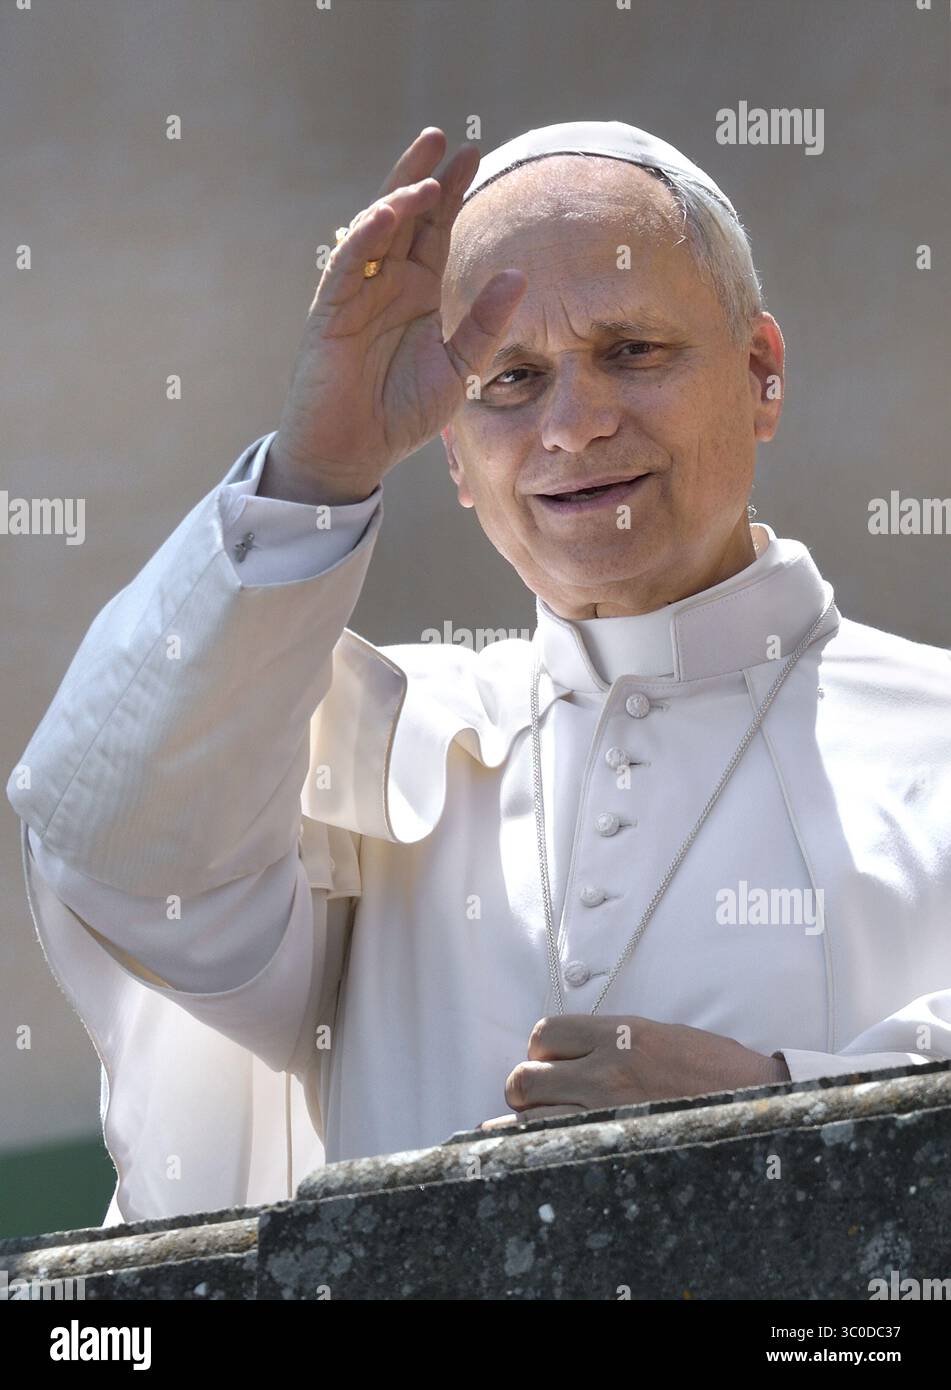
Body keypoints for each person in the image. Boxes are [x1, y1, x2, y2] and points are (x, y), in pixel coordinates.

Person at [8, 122, 951, 1227]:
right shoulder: (369, 750)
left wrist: (775, 1108)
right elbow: (115, 847)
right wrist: (317, 469)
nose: (576, 423)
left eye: (633, 351)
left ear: (760, 374)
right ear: (453, 456)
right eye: (510, 379)